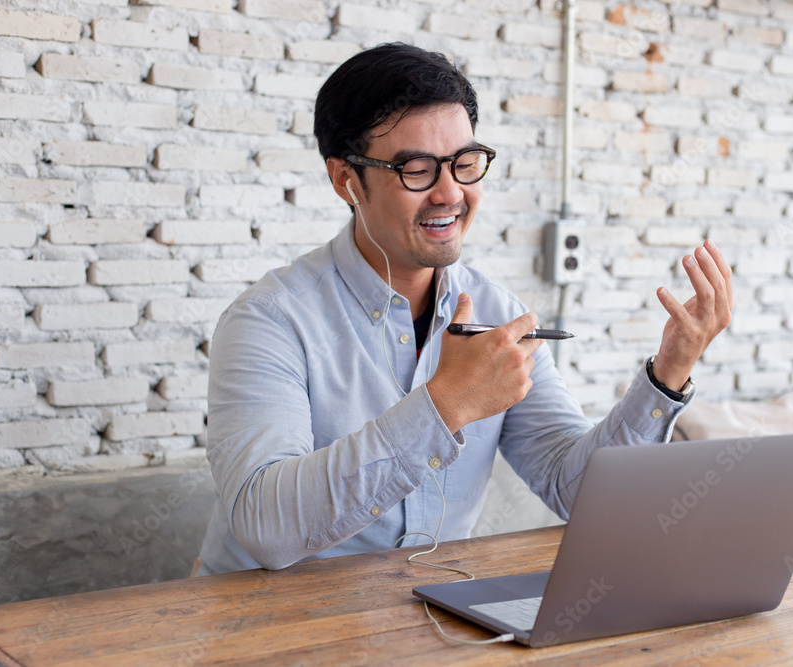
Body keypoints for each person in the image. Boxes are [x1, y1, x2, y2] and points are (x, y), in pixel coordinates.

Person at [196, 43, 732, 574]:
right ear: (346, 181)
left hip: (424, 613)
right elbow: (267, 528)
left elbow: (580, 492)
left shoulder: (498, 312)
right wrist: (446, 403)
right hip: (271, 619)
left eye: (465, 163)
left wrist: (669, 372)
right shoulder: (268, 321)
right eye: (416, 169)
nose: (450, 193)